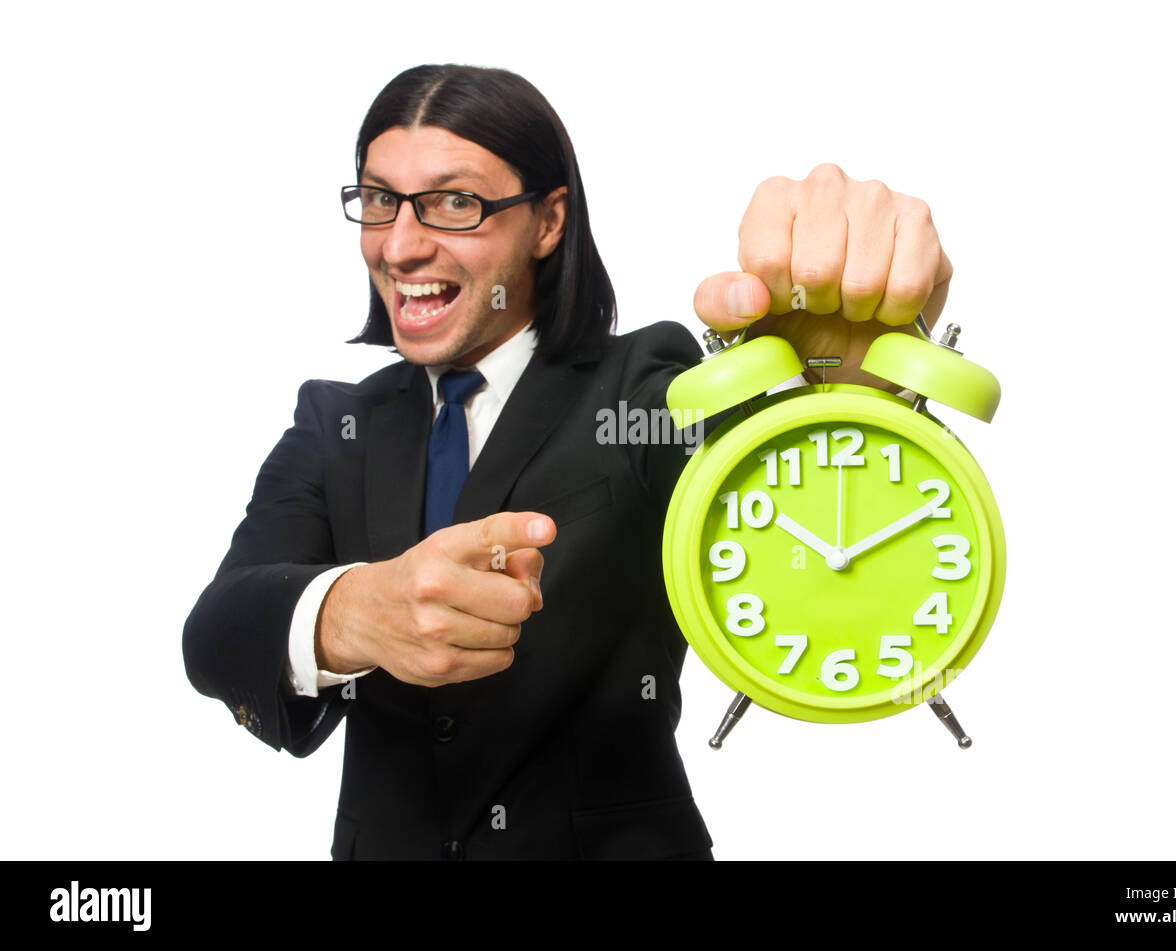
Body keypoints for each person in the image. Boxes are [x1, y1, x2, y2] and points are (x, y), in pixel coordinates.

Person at [182, 64, 952, 861]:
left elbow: (793, 526)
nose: (401, 244)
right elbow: (219, 629)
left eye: (454, 202)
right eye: (381, 199)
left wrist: (841, 398)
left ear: (549, 221)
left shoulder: (647, 388)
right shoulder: (335, 420)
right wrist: (353, 610)